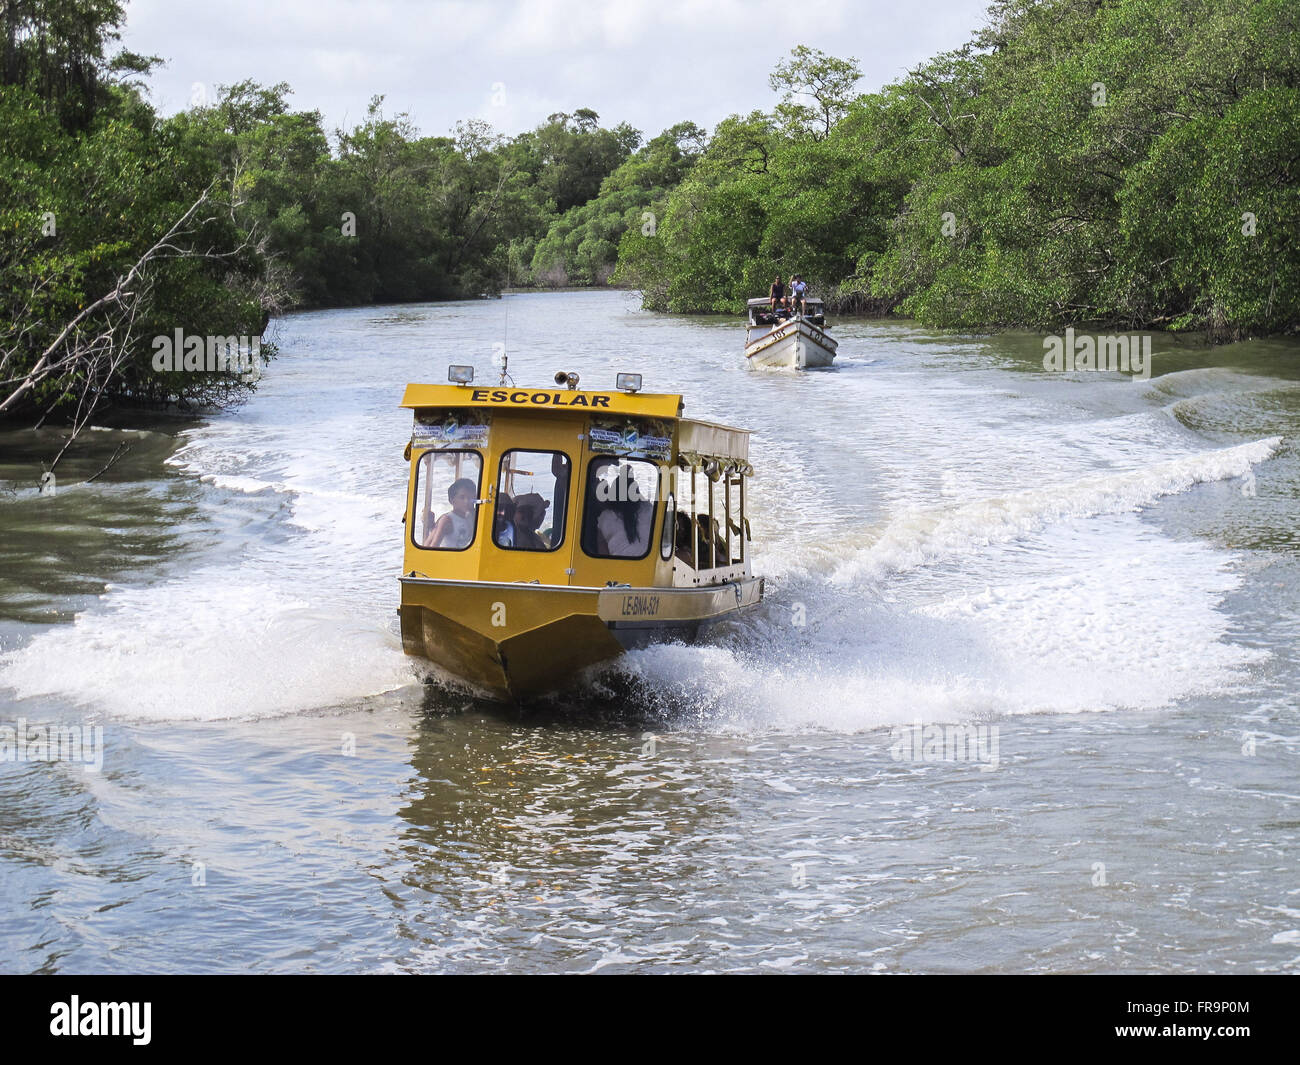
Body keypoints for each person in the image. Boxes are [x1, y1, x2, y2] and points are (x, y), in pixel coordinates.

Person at [423, 477, 476, 549]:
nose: (466, 501)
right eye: (462, 497)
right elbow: (433, 546)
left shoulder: (472, 515)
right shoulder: (447, 520)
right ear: (451, 500)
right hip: (450, 558)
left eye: (470, 498)